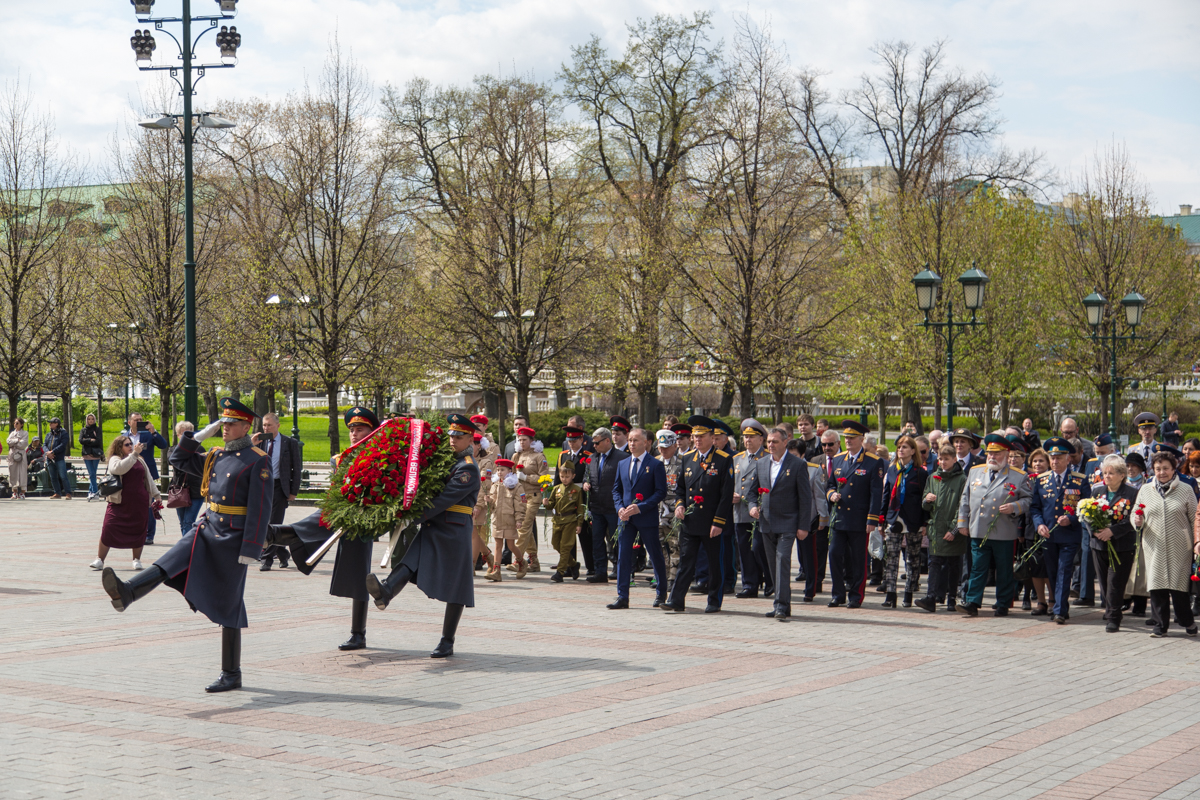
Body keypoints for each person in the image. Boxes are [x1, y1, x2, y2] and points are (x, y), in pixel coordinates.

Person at [101, 397, 272, 692]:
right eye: (224, 422)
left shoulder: (258, 460)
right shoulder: (217, 454)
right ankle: (129, 591)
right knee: (171, 559)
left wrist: (251, 549)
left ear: (246, 426)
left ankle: (232, 672)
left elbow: (262, 508)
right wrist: (203, 432)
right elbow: (179, 458)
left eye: (231, 423)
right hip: (207, 527)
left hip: (233, 537)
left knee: (230, 603)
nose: (226, 427)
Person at [365, 413, 482, 658]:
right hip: (435, 525)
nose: (453, 440)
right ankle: (386, 591)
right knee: (411, 561)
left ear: (470, 438)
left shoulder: (467, 468)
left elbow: (443, 500)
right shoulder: (449, 461)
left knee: (457, 587)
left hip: (454, 530)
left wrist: (411, 515)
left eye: (459, 437)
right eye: (451, 436)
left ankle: (447, 640)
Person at [266, 406, 382, 650]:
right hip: (340, 511)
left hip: (365, 516)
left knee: (358, 571)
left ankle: (358, 634)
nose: (354, 433)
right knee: (322, 517)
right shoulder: (342, 459)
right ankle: (274, 534)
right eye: (351, 429)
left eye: (360, 429)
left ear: (372, 431)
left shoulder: (381, 456)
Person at [661, 415, 733, 614]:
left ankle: (714, 600)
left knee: (714, 563)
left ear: (712, 437)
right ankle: (676, 599)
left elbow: (726, 495)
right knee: (686, 561)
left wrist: (718, 522)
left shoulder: (723, 460)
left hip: (711, 521)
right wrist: (679, 505)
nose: (698, 440)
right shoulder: (687, 458)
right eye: (695, 436)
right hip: (690, 521)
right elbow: (680, 488)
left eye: (702, 436)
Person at [956, 434, 1032, 617]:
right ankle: (973, 601)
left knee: (1004, 568)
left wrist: (1014, 506)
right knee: (977, 567)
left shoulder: (1018, 476)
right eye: (990, 453)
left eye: (997, 454)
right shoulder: (976, 471)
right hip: (978, 528)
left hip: (1003, 529)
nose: (992, 457)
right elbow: (965, 498)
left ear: (1006, 454)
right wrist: (962, 523)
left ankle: (1003, 603)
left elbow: (1029, 500)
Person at [746, 427, 812, 620]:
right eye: (768, 442)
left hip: (788, 522)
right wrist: (752, 506)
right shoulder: (761, 463)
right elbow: (751, 491)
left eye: (775, 442)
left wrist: (803, 526)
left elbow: (805, 498)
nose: (771, 445)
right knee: (772, 564)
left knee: (782, 560)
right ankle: (782, 602)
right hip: (766, 522)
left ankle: (781, 606)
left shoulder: (798, 465)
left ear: (785, 442)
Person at [1131, 451, 1198, 638]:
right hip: (1154, 546)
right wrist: (1137, 521)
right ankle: (1160, 626)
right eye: (1158, 469)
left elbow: (1195, 518)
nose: (1161, 473)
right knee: (1157, 587)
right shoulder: (1145, 490)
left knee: (1179, 590)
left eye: (1166, 469)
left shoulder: (1186, 490)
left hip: (1180, 548)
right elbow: (1136, 513)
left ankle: (1187, 622)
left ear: (1174, 469)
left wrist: (1196, 544)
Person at [825, 420, 884, 609]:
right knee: (834, 555)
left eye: (852, 438)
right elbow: (830, 484)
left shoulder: (873, 462)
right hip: (839, 517)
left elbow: (876, 493)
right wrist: (831, 494)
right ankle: (837, 594)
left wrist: (872, 518)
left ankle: (856, 596)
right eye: (846, 437)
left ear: (861, 439)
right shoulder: (839, 459)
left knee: (858, 559)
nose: (848, 441)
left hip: (859, 518)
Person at [608, 427, 668, 609]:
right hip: (625, 518)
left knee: (655, 554)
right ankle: (622, 596)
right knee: (623, 556)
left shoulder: (655, 465)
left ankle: (661, 594)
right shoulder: (623, 464)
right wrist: (620, 508)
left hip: (645, 517)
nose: (632, 444)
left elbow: (660, 492)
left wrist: (640, 507)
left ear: (646, 443)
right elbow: (616, 490)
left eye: (636, 440)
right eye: (630, 440)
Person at [1031, 437, 1089, 624]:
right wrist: (1039, 524)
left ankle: (1059, 611)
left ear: (1068, 459)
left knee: (1064, 571)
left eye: (1059, 457)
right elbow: (1035, 507)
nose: (1055, 461)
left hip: (1069, 535)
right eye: (1052, 457)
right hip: (1048, 535)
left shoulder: (1079, 481)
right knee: (1053, 572)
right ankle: (1060, 604)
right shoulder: (1041, 480)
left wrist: (1071, 518)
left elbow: (1085, 507)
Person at [90, 434, 162, 572]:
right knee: (108, 528)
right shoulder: (115, 459)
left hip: (139, 502)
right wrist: (134, 454)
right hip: (119, 502)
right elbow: (118, 469)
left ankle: (136, 560)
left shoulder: (139, 460)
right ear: (119, 447)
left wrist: (157, 495)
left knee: (138, 530)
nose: (130, 446)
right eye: (127, 445)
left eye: (131, 444)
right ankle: (100, 559)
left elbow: (149, 478)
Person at [1087, 454, 1139, 633]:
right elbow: (1085, 513)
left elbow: (1132, 518)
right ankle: (1111, 609)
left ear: (1122, 475)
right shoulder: (1097, 491)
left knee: (1115, 582)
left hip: (1122, 545)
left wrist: (1112, 532)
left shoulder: (1132, 493)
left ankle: (1114, 617)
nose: (1107, 476)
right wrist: (1093, 530)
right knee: (1104, 583)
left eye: (1111, 473)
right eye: (1105, 473)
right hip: (1099, 544)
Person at [914, 444, 968, 612]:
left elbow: (963, 506)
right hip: (935, 529)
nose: (943, 462)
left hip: (952, 529)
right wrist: (927, 500)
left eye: (946, 459)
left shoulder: (961, 479)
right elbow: (925, 505)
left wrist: (954, 529)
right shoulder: (933, 478)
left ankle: (952, 598)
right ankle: (931, 597)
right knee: (934, 563)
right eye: (940, 459)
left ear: (954, 460)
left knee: (953, 564)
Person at [881, 435, 928, 608]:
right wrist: (882, 520)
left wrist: (924, 523)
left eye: (905, 447)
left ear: (913, 451)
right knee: (891, 557)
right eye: (900, 447)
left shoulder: (920, 472)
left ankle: (908, 593)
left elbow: (924, 499)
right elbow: (886, 495)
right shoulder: (892, 469)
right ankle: (891, 595)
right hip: (894, 518)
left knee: (913, 559)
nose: (901, 450)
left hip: (913, 519)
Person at [254, 412, 303, 571]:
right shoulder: (260, 442)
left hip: (279, 487)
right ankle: (282, 552)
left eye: (269, 425)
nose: (266, 428)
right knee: (263, 522)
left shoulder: (289, 443)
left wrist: (293, 491)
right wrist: (251, 443)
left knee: (274, 522)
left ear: (278, 425)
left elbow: (296, 469)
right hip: (262, 486)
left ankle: (267, 559)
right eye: (264, 426)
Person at [583, 427, 628, 582]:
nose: (593, 446)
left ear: (607, 441)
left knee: (616, 540)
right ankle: (600, 571)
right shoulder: (593, 458)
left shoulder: (622, 458)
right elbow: (586, 476)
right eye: (593, 443)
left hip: (614, 508)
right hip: (596, 507)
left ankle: (618, 568)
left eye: (596, 443)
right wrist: (585, 484)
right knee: (597, 540)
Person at [732, 419, 770, 598]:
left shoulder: (768, 457)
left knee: (759, 548)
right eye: (745, 437)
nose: (748, 440)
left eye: (752, 437)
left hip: (760, 511)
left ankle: (769, 580)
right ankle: (749, 585)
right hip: (740, 510)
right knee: (744, 550)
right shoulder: (736, 459)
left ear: (761, 439)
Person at [126, 413, 170, 544]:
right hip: (129, 474)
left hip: (147, 474)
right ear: (129, 422)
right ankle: (133, 532)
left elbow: (163, 445)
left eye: (141, 420)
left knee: (148, 505)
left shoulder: (148, 434)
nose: (139, 422)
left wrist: (154, 431)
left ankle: (149, 535)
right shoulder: (124, 436)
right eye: (136, 420)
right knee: (131, 505)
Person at [512, 426, 549, 573]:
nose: (522, 442)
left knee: (523, 527)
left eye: (525, 440)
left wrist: (526, 477)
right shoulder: (517, 456)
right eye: (519, 439)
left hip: (533, 496)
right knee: (527, 530)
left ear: (532, 440)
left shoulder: (539, 456)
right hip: (520, 497)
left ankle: (518, 560)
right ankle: (534, 560)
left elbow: (544, 478)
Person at [488, 458, 529, 580]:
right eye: (498, 469)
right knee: (497, 545)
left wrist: (519, 519)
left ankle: (521, 562)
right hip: (497, 520)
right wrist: (489, 501)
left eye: (503, 470)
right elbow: (492, 502)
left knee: (511, 545)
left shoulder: (516, 486)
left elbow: (520, 504)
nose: (500, 472)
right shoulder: (495, 485)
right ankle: (496, 571)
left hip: (510, 520)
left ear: (510, 470)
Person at [656, 428, 685, 593]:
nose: (663, 451)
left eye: (667, 447)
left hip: (675, 513)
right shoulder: (655, 462)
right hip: (658, 512)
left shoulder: (682, 463)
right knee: (660, 546)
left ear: (675, 445)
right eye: (661, 448)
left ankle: (673, 579)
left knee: (675, 546)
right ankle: (664, 577)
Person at [546, 463, 583, 583]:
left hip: (570, 521)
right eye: (562, 476)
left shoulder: (577, 490)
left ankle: (560, 572)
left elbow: (580, 509)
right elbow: (551, 504)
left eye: (567, 476)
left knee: (565, 547)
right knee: (556, 544)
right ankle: (573, 564)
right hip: (557, 520)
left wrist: (579, 524)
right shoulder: (557, 488)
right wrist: (546, 503)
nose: (564, 479)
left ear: (573, 476)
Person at [168, 422, 205, 535]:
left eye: (190, 433)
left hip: (196, 491)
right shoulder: (173, 449)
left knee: (189, 521)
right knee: (183, 522)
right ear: (178, 435)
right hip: (179, 490)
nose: (188, 436)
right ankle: (186, 545)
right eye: (184, 433)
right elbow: (172, 461)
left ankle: (187, 548)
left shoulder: (200, 448)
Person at [43, 417, 70, 499]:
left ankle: (68, 493)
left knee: (63, 476)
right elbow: (44, 445)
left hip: (59, 458)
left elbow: (63, 445)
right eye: (50, 423)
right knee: (53, 477)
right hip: (49, 458)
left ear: (57, 424)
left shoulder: (63, 433)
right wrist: (47, 453)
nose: (50, 424)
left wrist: (53, 452)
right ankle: (57, 493)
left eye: (52, 423)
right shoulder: (49, 434)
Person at [79, 413, 104, 500]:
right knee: (92, 474)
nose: (90, 421)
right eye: (89, 419)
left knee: (92, 474)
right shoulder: (83, 430)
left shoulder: (97, 429)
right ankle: (94, 492)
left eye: (92, 419)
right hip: (86, 454)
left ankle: (92, 492)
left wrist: (87, 441)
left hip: (95, 455)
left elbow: (98, 441)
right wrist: (90, 440)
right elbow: (81, 440)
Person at [6, 417, 28, 500]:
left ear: (21, 424)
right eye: (14, 423)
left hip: (21, 455)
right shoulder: (12, 433)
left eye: (17, 423)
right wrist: (17, 440)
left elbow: (23, 444)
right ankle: (14, 492)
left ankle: (22, 492)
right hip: (12, 454)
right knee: (13, 472)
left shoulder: (25, 433)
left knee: (22, 473)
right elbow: (8, 442)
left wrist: (14, 442)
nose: (15, 424)